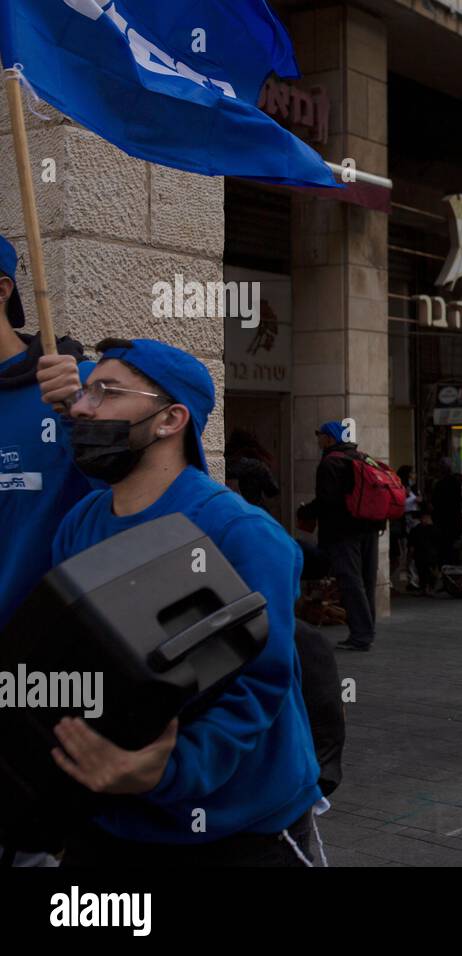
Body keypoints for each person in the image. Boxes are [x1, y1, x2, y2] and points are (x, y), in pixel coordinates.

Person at [35, 338, 323, 865]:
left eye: (105, 391)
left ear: (170, 420)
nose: (79, 406)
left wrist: (170, 769)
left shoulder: (240, 532)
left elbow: (258, 685)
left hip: (232, 832)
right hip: (105, 825)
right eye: (84, 392)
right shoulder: (82, 521)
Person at [0, 236, 95, 868]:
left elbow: (134, 497)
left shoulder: (68, 392)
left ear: (3, 289)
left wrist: (80, 415)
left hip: (35, 682)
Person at [298, 421, 384, 652]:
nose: (318, 440)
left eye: (320, 435)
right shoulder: (361, 458)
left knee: (351, 582)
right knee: (366, 581)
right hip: (370, 529)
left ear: (329, 438)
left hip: (343, 533)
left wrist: (305, 511)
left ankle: (360, 635)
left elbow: (327, 501)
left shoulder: (330, 463)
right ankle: (367, 631)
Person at [224, 428, 279, 511]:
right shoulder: (257, 466)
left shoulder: (224, 463)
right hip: (254, 511)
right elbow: (272, 490)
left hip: (229, 510)